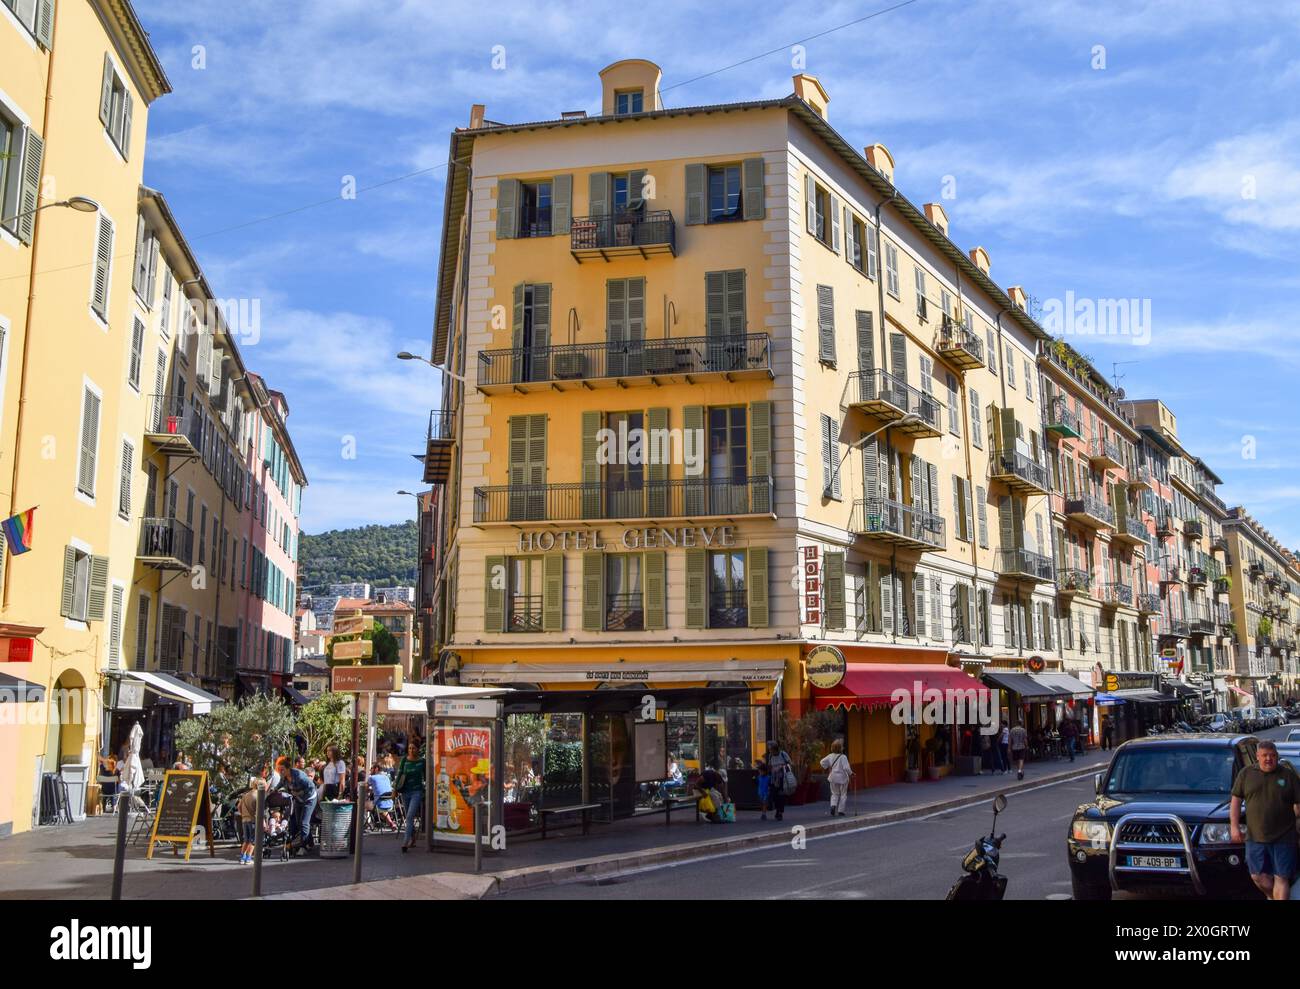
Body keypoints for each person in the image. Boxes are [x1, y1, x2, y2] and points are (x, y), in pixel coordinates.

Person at [1230, 740, 1300, 900]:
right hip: (1255, 837)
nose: (1269, 759)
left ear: (1277, 756)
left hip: (1284, 837)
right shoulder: (1246, 774)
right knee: (1257, 876)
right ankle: (1271, 896)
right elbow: (1235, 801)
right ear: (1257, 757)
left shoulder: (1287, 776)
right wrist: (1234, 826)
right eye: (1265, 755)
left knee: (1281, 878)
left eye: (1273, 755)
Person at [275, 755, 318, 850]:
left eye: (282, 770)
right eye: (278, 770)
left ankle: (302, 844)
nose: (280, 772)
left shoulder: (299, 775)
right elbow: (280, 784)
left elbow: (311, 787)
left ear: (288, 769)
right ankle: (309, 842)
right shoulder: (284, 777)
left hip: (309, 799)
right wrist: (273, 791)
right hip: (298, 799)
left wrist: (299, 792)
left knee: (304, 823)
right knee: (299, 822)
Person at [395, 746, 426, 851]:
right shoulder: (404, 759)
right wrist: (395, 789)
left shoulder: (422, 761)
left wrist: (426, 789)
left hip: (417, 791)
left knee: (409, 816)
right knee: (409, 816)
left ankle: (405, 841)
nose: (412, 750)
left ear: (418, 749)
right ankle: (412, 838)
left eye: (414, 748)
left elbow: (426, 777)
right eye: (410, 748)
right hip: (405, 791)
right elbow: (399, 774)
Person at [820, 739, 853, 817]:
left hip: (833, 777)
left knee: (834, 793)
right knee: (843, 794)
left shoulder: (830, 756)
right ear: (840, 748)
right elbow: (846, 768)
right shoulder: (843, 757)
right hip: (843, 778)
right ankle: (841, 811)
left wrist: (827, 766)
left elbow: (822, 762)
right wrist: (851, 773)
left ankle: (833, 805)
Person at [237, 780, 264, 865]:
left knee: (246, 840)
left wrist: (243, 815)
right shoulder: (258, 796)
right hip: (253, 820)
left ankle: (242, 858)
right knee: (253, 841)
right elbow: (259, 811)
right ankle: (248, 858)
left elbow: (239, 806)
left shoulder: (246, 795)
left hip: (244, 820)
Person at [767, 741, 792, 822]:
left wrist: (781, 767)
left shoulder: (783, 754)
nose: (770, 751)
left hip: (782, 778)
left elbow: (789, 763)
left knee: (781, 795)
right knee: (774, 795)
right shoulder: (771, 756)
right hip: (774, 779)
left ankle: (779, 812)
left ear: (775, 748)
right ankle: (778, 809)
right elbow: (769, 765)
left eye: (770, 749)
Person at [367, 764, 397, 831]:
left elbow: (365, 789)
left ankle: (362, 824)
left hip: (379, 805)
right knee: (381, 807)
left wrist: (371, 789)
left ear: (376, 769)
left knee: (362, 804)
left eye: (371, 768)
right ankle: (391, 823)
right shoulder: (386, 777)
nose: (370, 770)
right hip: (390, 804)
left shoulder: (372, 778)